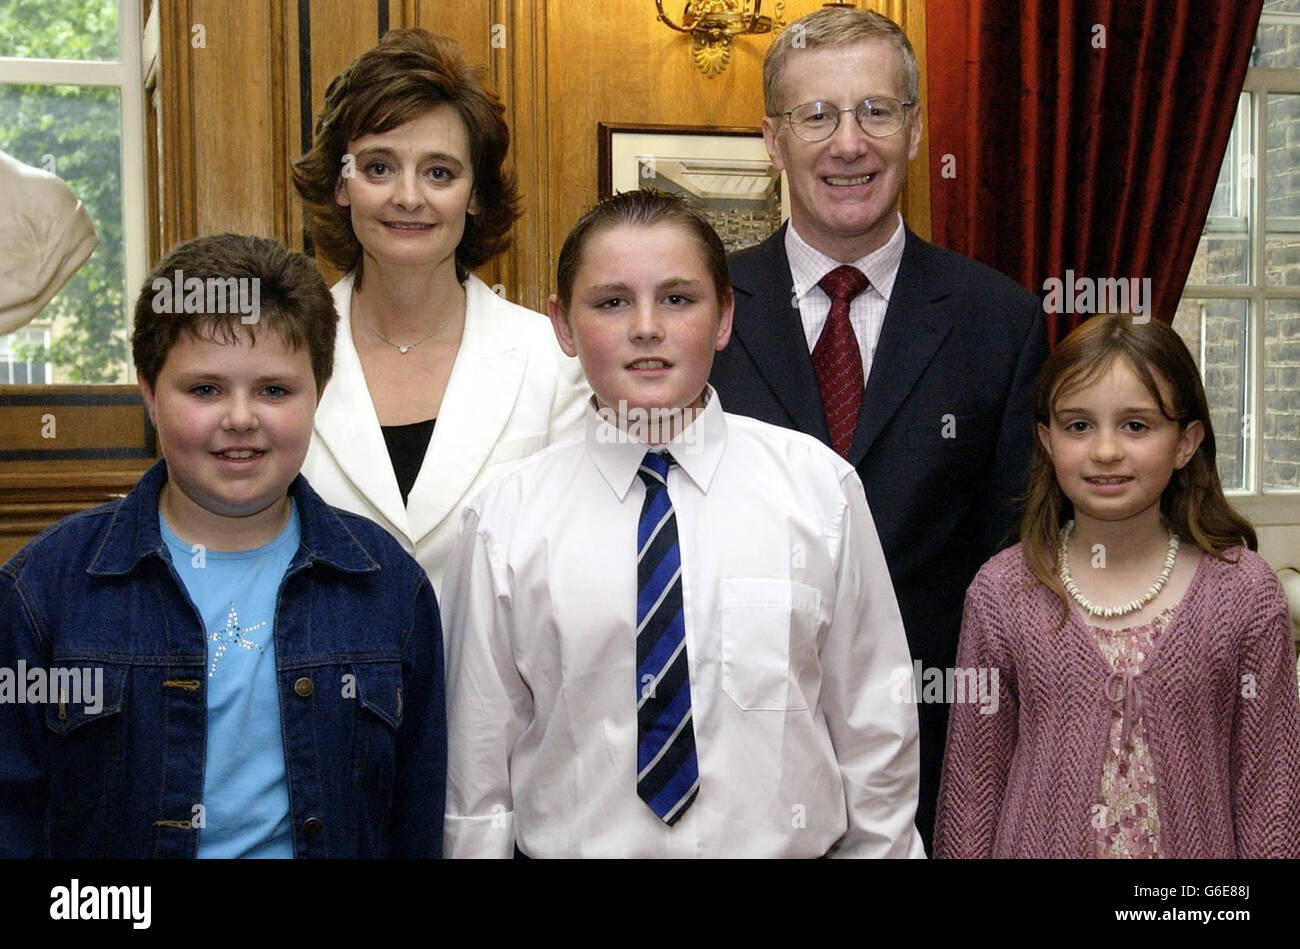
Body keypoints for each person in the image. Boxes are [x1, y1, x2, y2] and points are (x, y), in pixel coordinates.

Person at [441, 189, 925, 858]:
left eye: (677, 298)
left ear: (724, 316)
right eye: (612, 302)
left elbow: (876, 731)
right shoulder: (504, 522)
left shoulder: (819, 491)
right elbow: (475, 781)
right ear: (563, 325)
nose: (647, 327)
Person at [708, 5, 1048, 849]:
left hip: (938, 760)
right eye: (817, 115)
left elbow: (1017, 563)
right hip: (727, 759)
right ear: (774, 140)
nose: (849, 143)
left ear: (915, 128)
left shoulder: (999, 321)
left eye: (875, 111)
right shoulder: (699, 314)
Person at [0, 234, 446, 858]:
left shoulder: (388, 585)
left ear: (319, 394)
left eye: (274, 390)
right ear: (149, 394)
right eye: (205, 390)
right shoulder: (45, 590)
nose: (240, 418)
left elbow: (416, 817)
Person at [934, 315, 1300, 858]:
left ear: (1185, 442)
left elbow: (1271, 794)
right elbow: (973, 787)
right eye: (1079, 425)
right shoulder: (1003, 592)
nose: (1105, 450)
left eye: (1136, 425)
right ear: (1047, 441)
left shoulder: (1245, 593)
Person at [292, 29, 587, 597]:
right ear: (341, 184)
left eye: (440, 173)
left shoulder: (554, 361)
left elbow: (572, 572)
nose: (408, 196)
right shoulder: (284, 354)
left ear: (475, 195)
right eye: (378, 168)